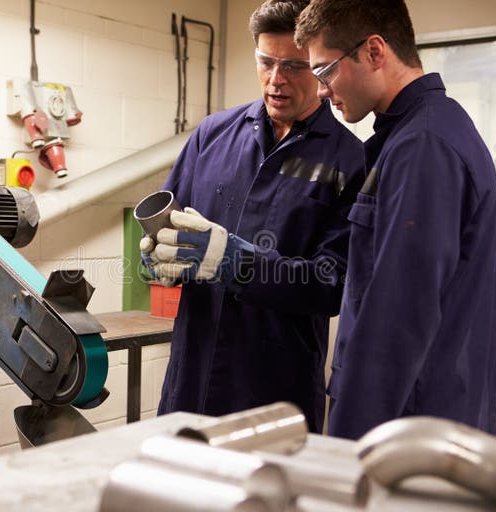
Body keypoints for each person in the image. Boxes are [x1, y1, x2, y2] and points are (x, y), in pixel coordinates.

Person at [141, 0, 365, 433]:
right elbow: (169, 227)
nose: (276, 80)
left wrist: (235, 262)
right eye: (266, 62)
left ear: (319, 71)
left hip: (274, 387)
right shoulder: (212, 135)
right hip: (192, 376)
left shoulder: (348, 162)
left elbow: (332, 286)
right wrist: (159, 261)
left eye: (295, 67)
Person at [294, 0, 496, 439]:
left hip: (408, 427)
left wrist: (347, 452)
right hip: (418, 417)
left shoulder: (423, 146)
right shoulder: (417, 135)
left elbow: (397, 319)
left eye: (324, 72)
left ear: (374, 51)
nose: (321, 91)